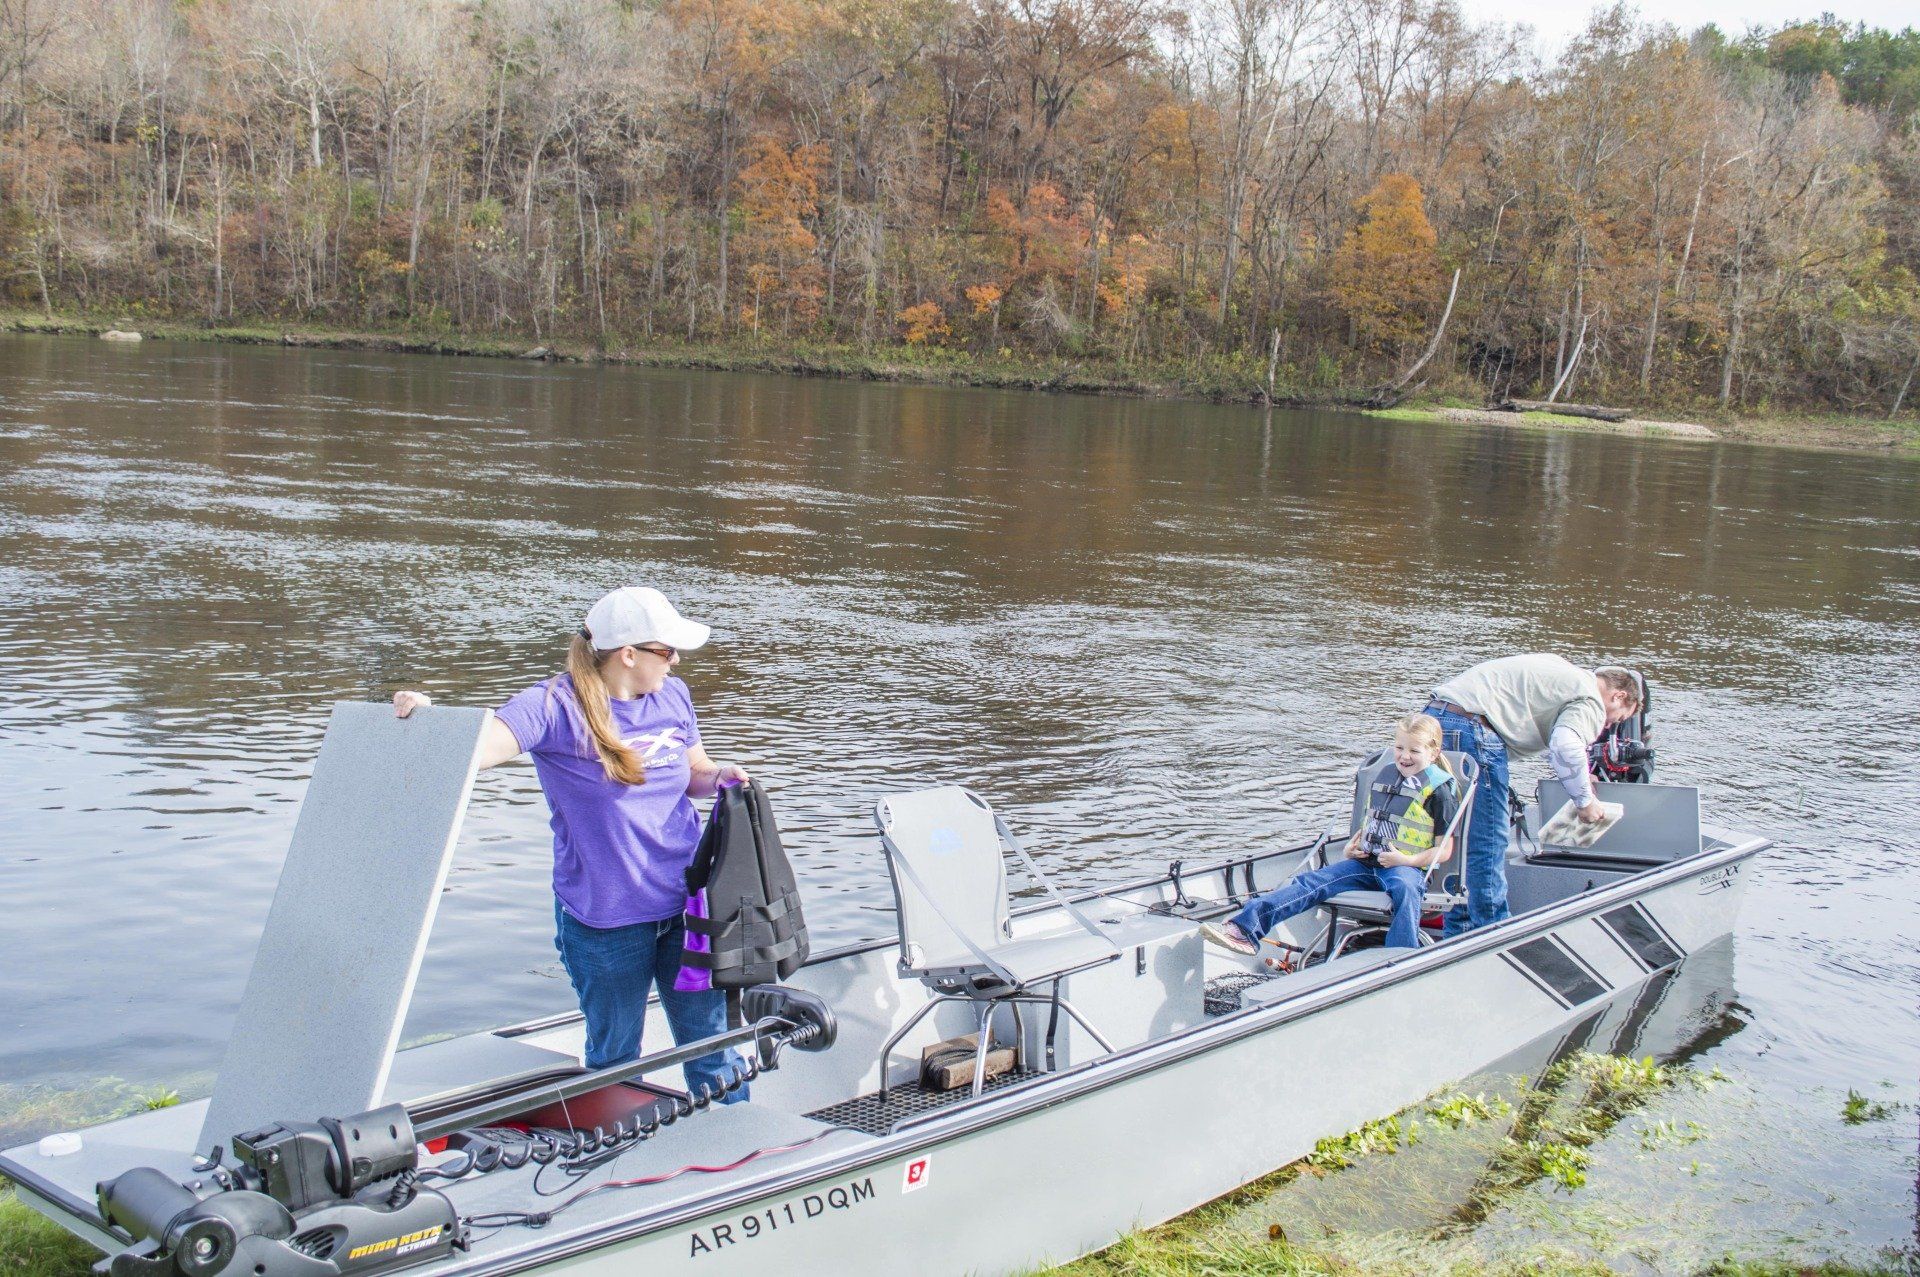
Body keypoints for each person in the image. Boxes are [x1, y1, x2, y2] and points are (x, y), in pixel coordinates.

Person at [393, 585, 751, 1099]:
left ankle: (737, 1147)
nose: (676, 661)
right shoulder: (553, 706)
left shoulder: (673, 695)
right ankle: (619, 1164)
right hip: (605, 922)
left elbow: (692, 770)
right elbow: (478, 747)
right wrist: (427, 719)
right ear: (629, 655)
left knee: (709, 1045)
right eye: (668, 650)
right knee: (615, 1058)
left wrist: (719, 777)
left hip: (688, 910)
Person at [1201, 715, 1460, 956]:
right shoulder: (1387, 775)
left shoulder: (1439, 792)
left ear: (1433, 752)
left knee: (1405, 888)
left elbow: (1444, 850)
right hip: (1365, 864)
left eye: (1414, 750)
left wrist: (1404, 861)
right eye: (1399, 748)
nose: (1404, 756)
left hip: (1407, 869)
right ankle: (1246, 929)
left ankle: (1399, 956)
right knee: (1309, 883)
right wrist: (1350, 848)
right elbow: (1371, 826)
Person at [1423, 655, 1642, 936]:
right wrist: (1585, 802)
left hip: (1436, 717)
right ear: (1617, 696)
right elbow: (1564, 745)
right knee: (1488, 839)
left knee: (1457, 833)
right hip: (1474, 727)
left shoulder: (1565, 673)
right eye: (1619, 717)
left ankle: (1460, 927)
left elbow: (1550, 732)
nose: (1610, 725)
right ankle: (1492, 932)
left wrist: (1580, 775)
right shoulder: (1591, 699)